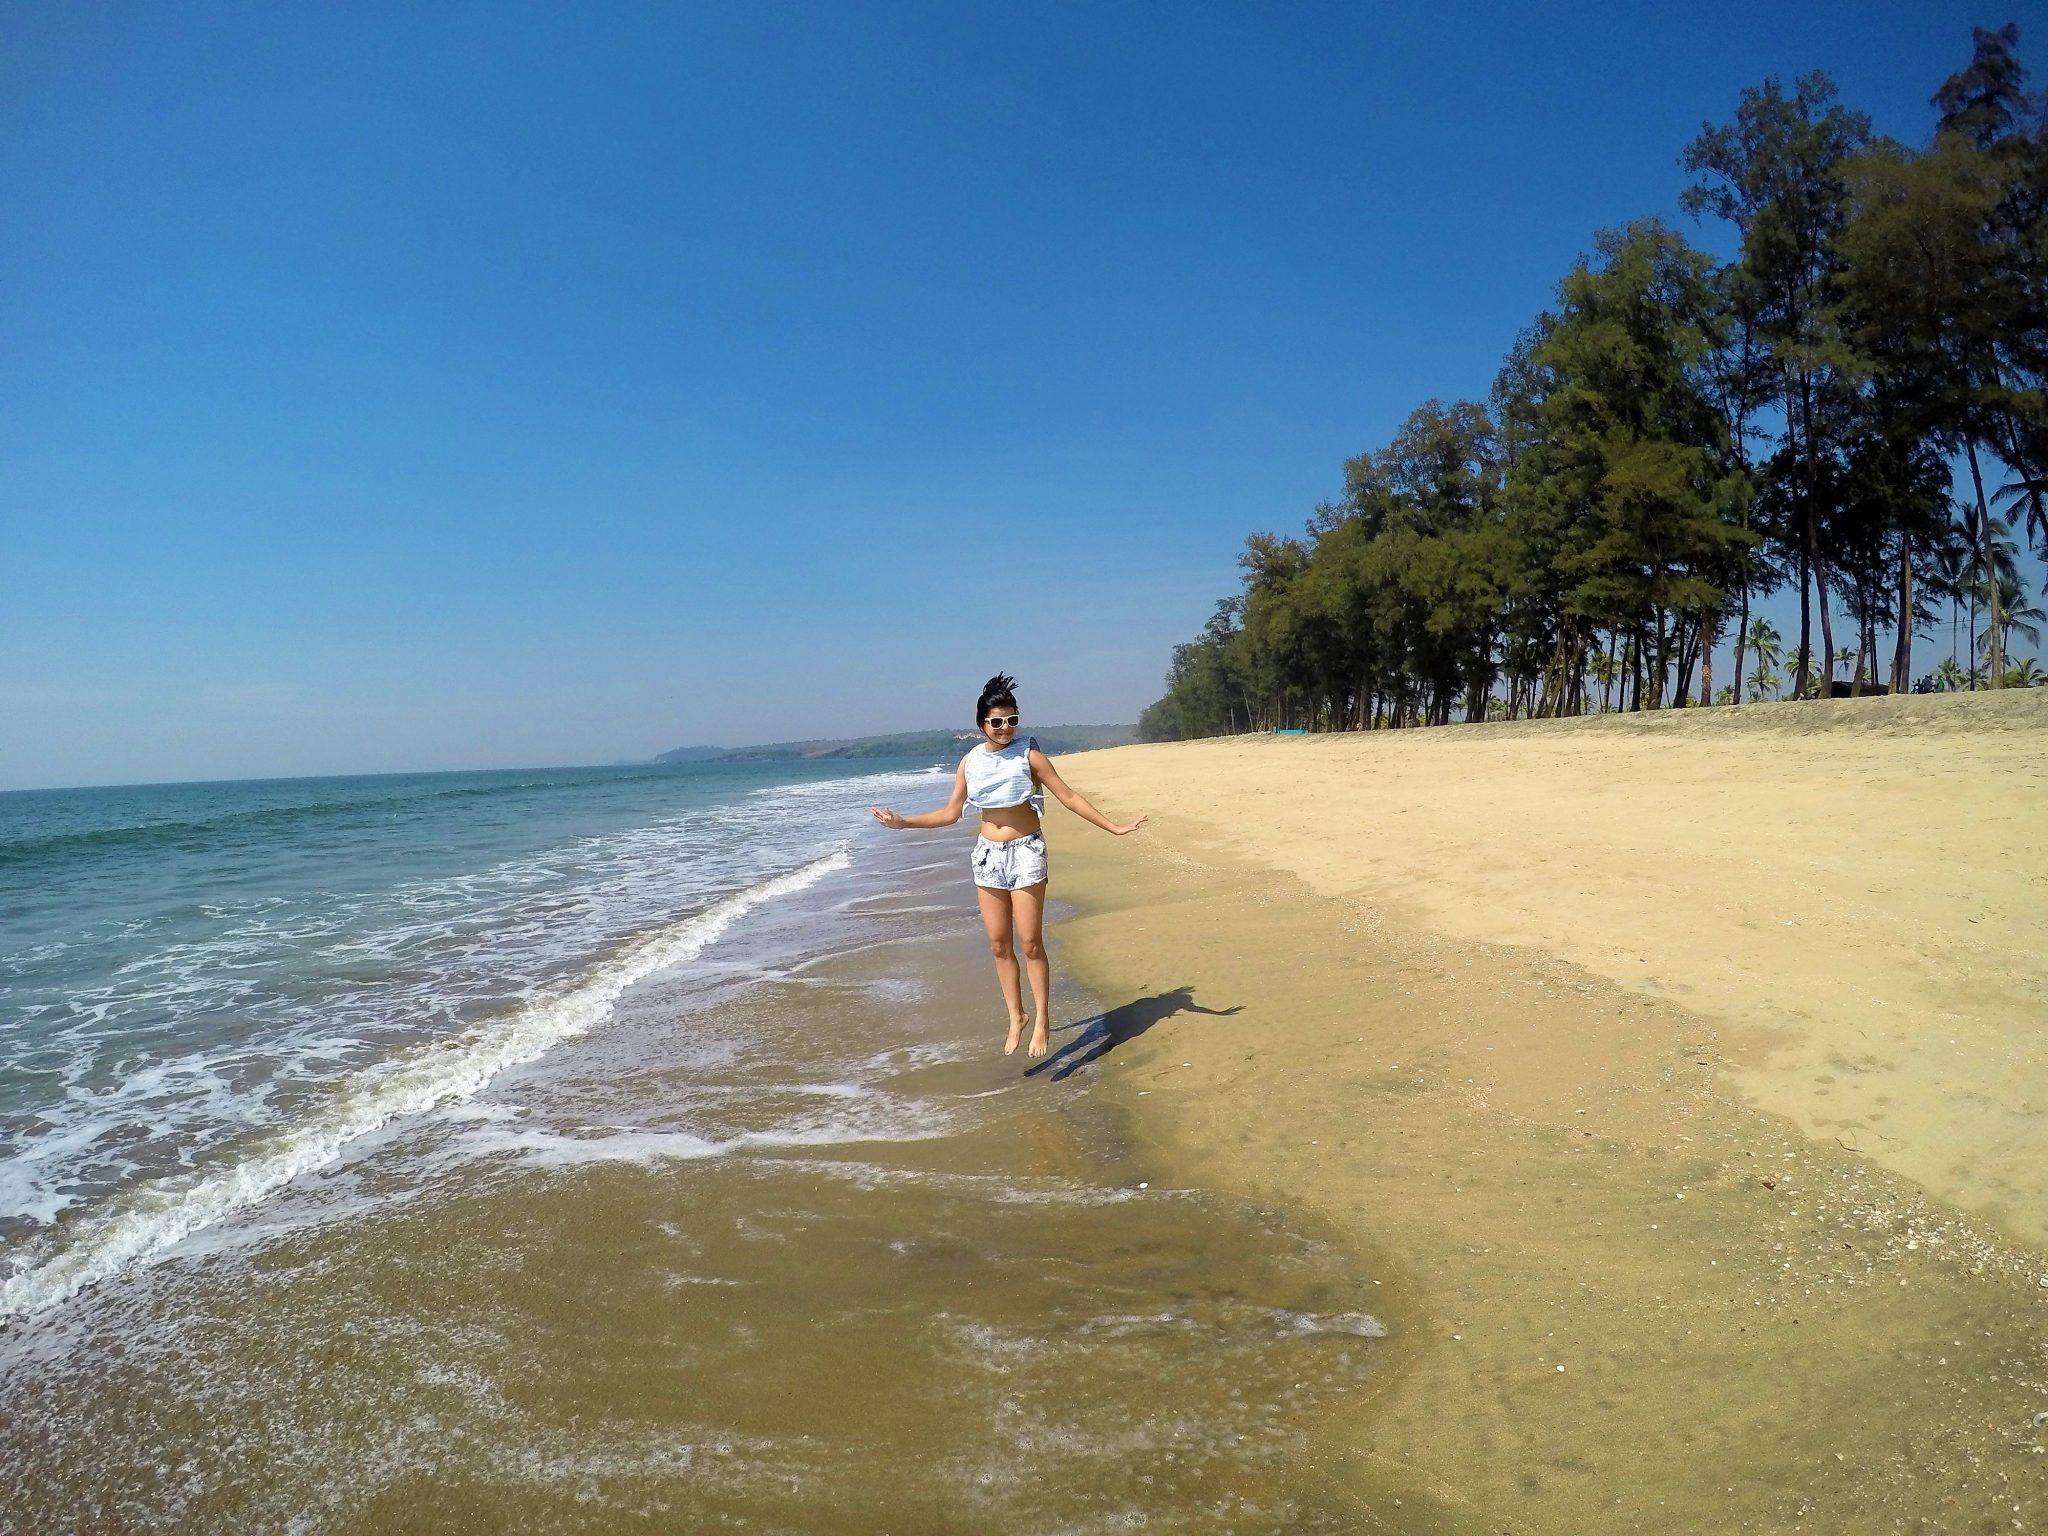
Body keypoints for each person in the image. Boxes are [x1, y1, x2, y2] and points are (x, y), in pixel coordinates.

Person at [868, 674, 1146, 1057]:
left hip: (1027, 851)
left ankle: (1043, 1018)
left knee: (1030, 942)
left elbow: (1068, 796)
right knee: (999, 944)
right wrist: (905, 823)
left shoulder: (1029, 756)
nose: (1005, 728)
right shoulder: (969, 762)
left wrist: (1113, 826)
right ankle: (1016, 1016)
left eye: (1011, 720)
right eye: (997, 721)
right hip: (988, 855)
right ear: (982, 724)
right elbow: (951, 813)